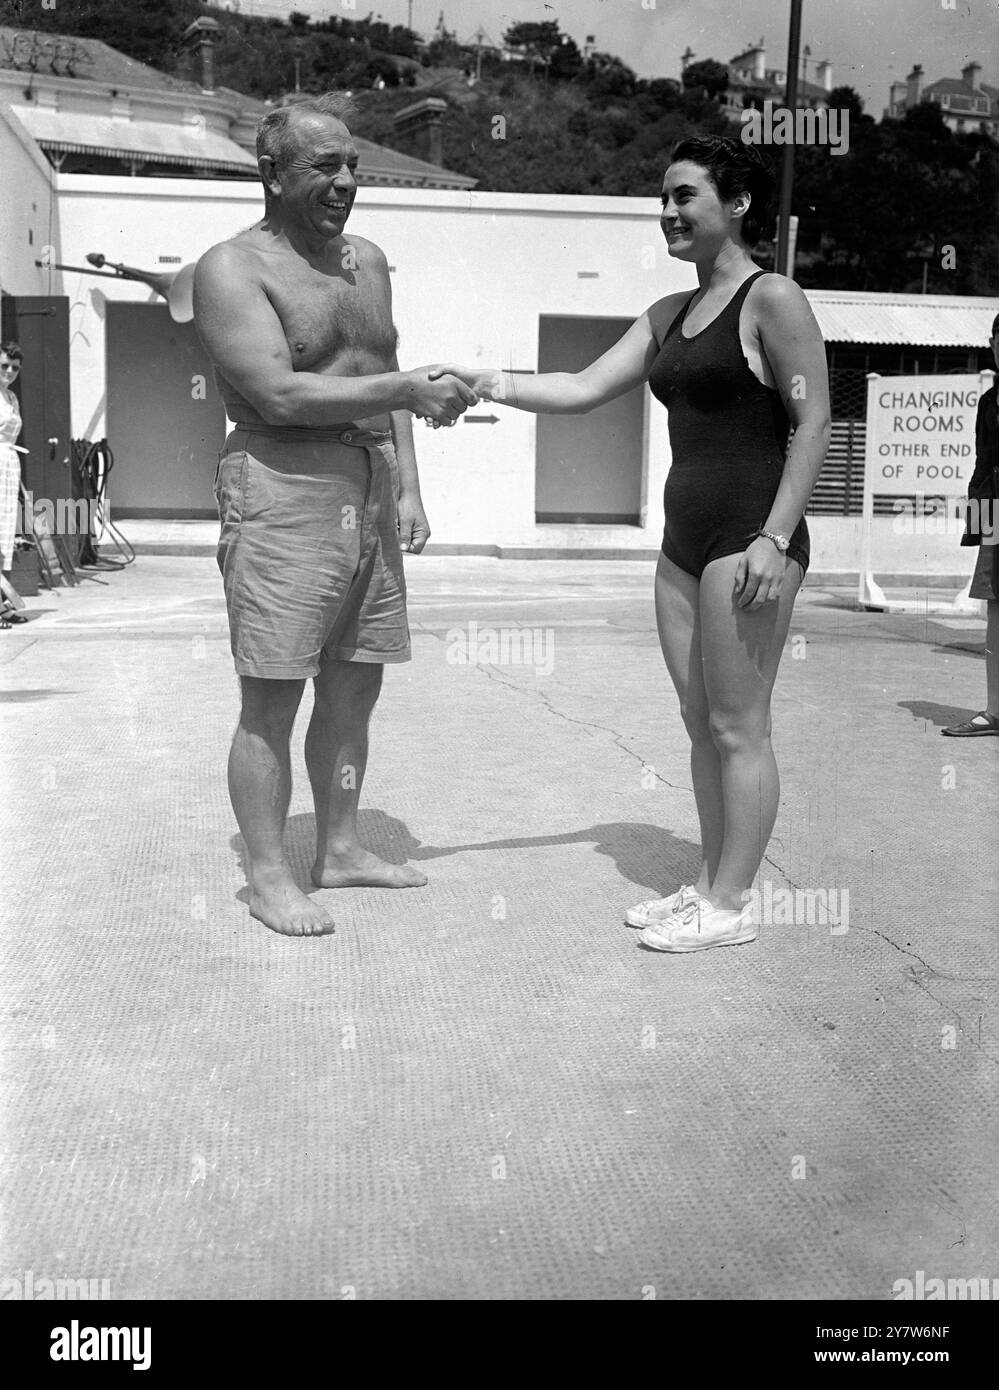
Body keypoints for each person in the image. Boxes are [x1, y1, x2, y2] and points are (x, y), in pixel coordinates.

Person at [430, 136, 830, 952]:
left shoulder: (773, 298)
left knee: (738, 727)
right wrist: (486, 381)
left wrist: (773, 536)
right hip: (682, 543)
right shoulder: (667, 316)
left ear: (737, 204)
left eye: (685, 196)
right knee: (697, 723)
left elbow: (813, 419)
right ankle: (710, 882)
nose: (669, 212)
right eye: (664, 198)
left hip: (749, 539)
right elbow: (579, 389)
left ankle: (732, 904)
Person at [193, 94, 479, 937]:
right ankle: (268, 875)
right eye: (324, 166)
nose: (346, 180)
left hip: (371, 478)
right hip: (281, 485)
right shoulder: (232, 269)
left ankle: (342, 847)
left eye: (352, 165)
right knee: (272, 696)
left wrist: (410, 486)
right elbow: (278, 390)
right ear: (271, 173)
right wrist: (402, 391)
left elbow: (387, 367)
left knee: (355, 687)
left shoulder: (369, 261)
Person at [942, 312, 999, 737]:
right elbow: (984, 465)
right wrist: (978, 523)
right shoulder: (989, 401)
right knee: (994, 610)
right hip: (995, 515)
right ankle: (995, 711)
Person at [0, 342, 28, 626]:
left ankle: (2, 606)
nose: (9, 371)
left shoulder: (11, 398)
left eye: (15, 368)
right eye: (4, 365)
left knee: (6, 536)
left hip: (9, 467)